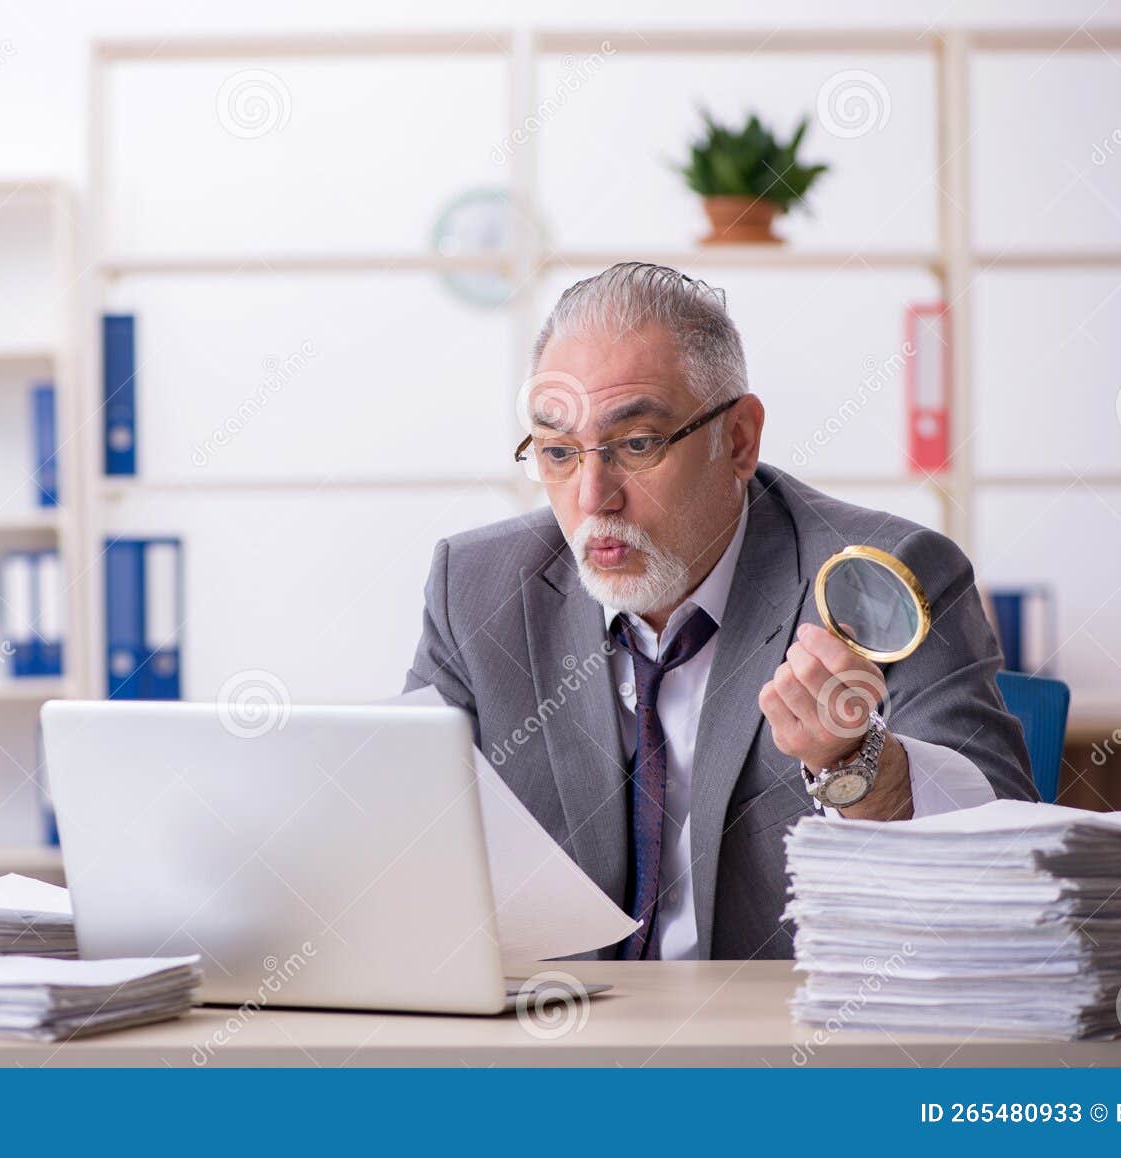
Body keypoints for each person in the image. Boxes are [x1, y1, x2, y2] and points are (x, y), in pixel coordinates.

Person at [405, 262, 1036, 961]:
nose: (591, 497)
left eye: (637, 445)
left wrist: (859, 768)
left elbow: (1011, 860)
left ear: (737, 440)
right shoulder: (478, 588)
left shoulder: (882, 579)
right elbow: (402, 843)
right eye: (558, 452)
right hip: (555, 1045)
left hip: (783, 1049)